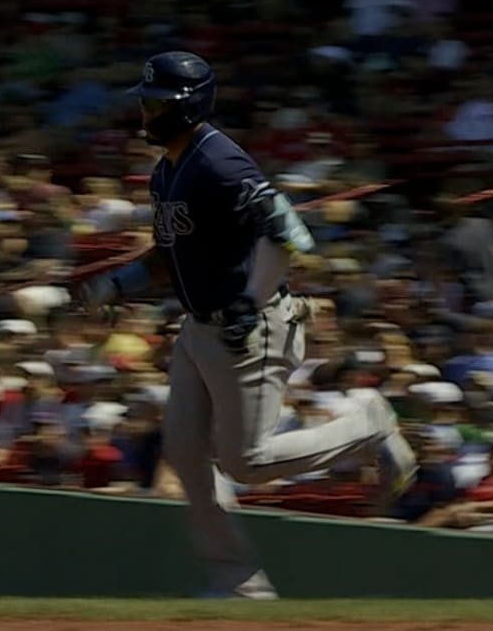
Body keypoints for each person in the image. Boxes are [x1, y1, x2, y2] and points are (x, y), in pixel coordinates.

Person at [81, 51, 416, 599]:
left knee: (248, 462)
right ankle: (238, 583)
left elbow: (289, 231)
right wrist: (115, 285)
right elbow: (168, 254)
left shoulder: (219, 161)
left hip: (249, 327)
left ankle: (370, 424)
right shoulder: (167, 169)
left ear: (184, 107)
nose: (143, 112)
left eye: (153, 102)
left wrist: (248, 300)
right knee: (186, 453)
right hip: (199, 328)